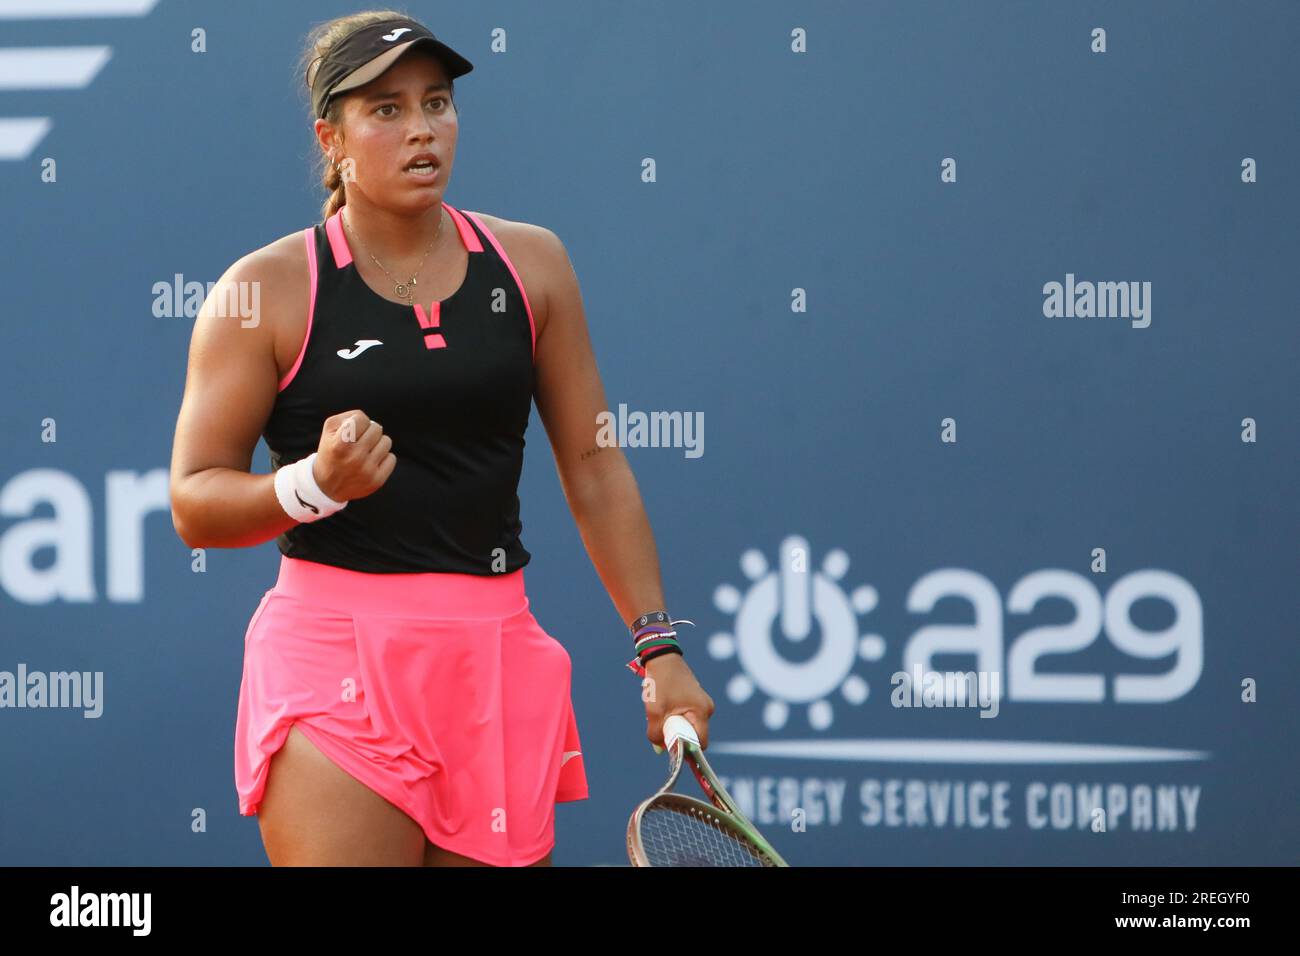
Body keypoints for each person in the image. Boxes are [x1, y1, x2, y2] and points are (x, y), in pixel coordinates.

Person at [168, 9, 714, 867]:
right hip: (332, 666)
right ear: (332, 138)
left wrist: (658, 644)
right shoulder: (264, 290)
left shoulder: (533, 265)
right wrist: (312, 484)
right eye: (385, 109)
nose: (421, 127)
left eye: (437, 102)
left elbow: (595, 464)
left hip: (495, 664)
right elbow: (195, 503)